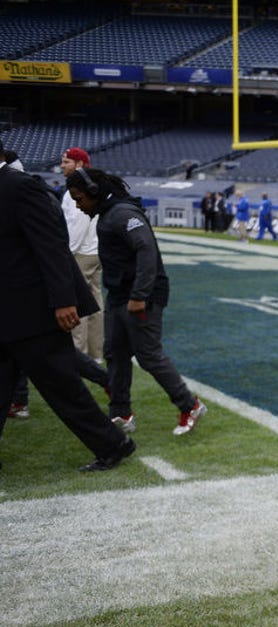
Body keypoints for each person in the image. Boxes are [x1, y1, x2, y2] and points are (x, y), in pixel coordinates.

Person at [0, 142, 136, 472]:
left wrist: (64, 301)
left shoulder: (21, 186)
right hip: (7, 311)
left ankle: (113, 443)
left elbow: (51, 245)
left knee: (62, 387)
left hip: (33, 311)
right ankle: (113, 441)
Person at [65, 167, 206, 437]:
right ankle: (120, 413)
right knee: (115, 354)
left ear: (94, 192)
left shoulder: (122, 214)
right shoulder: (108, 214)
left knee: (148, 355)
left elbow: (146, 249)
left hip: (142, 296)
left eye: (80, 198)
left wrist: (140, 295)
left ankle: (191, 405)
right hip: (120, 294)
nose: (78, 205)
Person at [61, 147, 105, 362]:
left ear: (79, 163)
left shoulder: (78, 186)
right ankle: (96, 354)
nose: (62, 166)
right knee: (96, 305)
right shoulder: (93, 183)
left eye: (66, 161)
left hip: (82, 251)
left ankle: (80, 356)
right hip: (96, 250)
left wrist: (67, 252)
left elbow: (78, 223)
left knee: (77, 304)